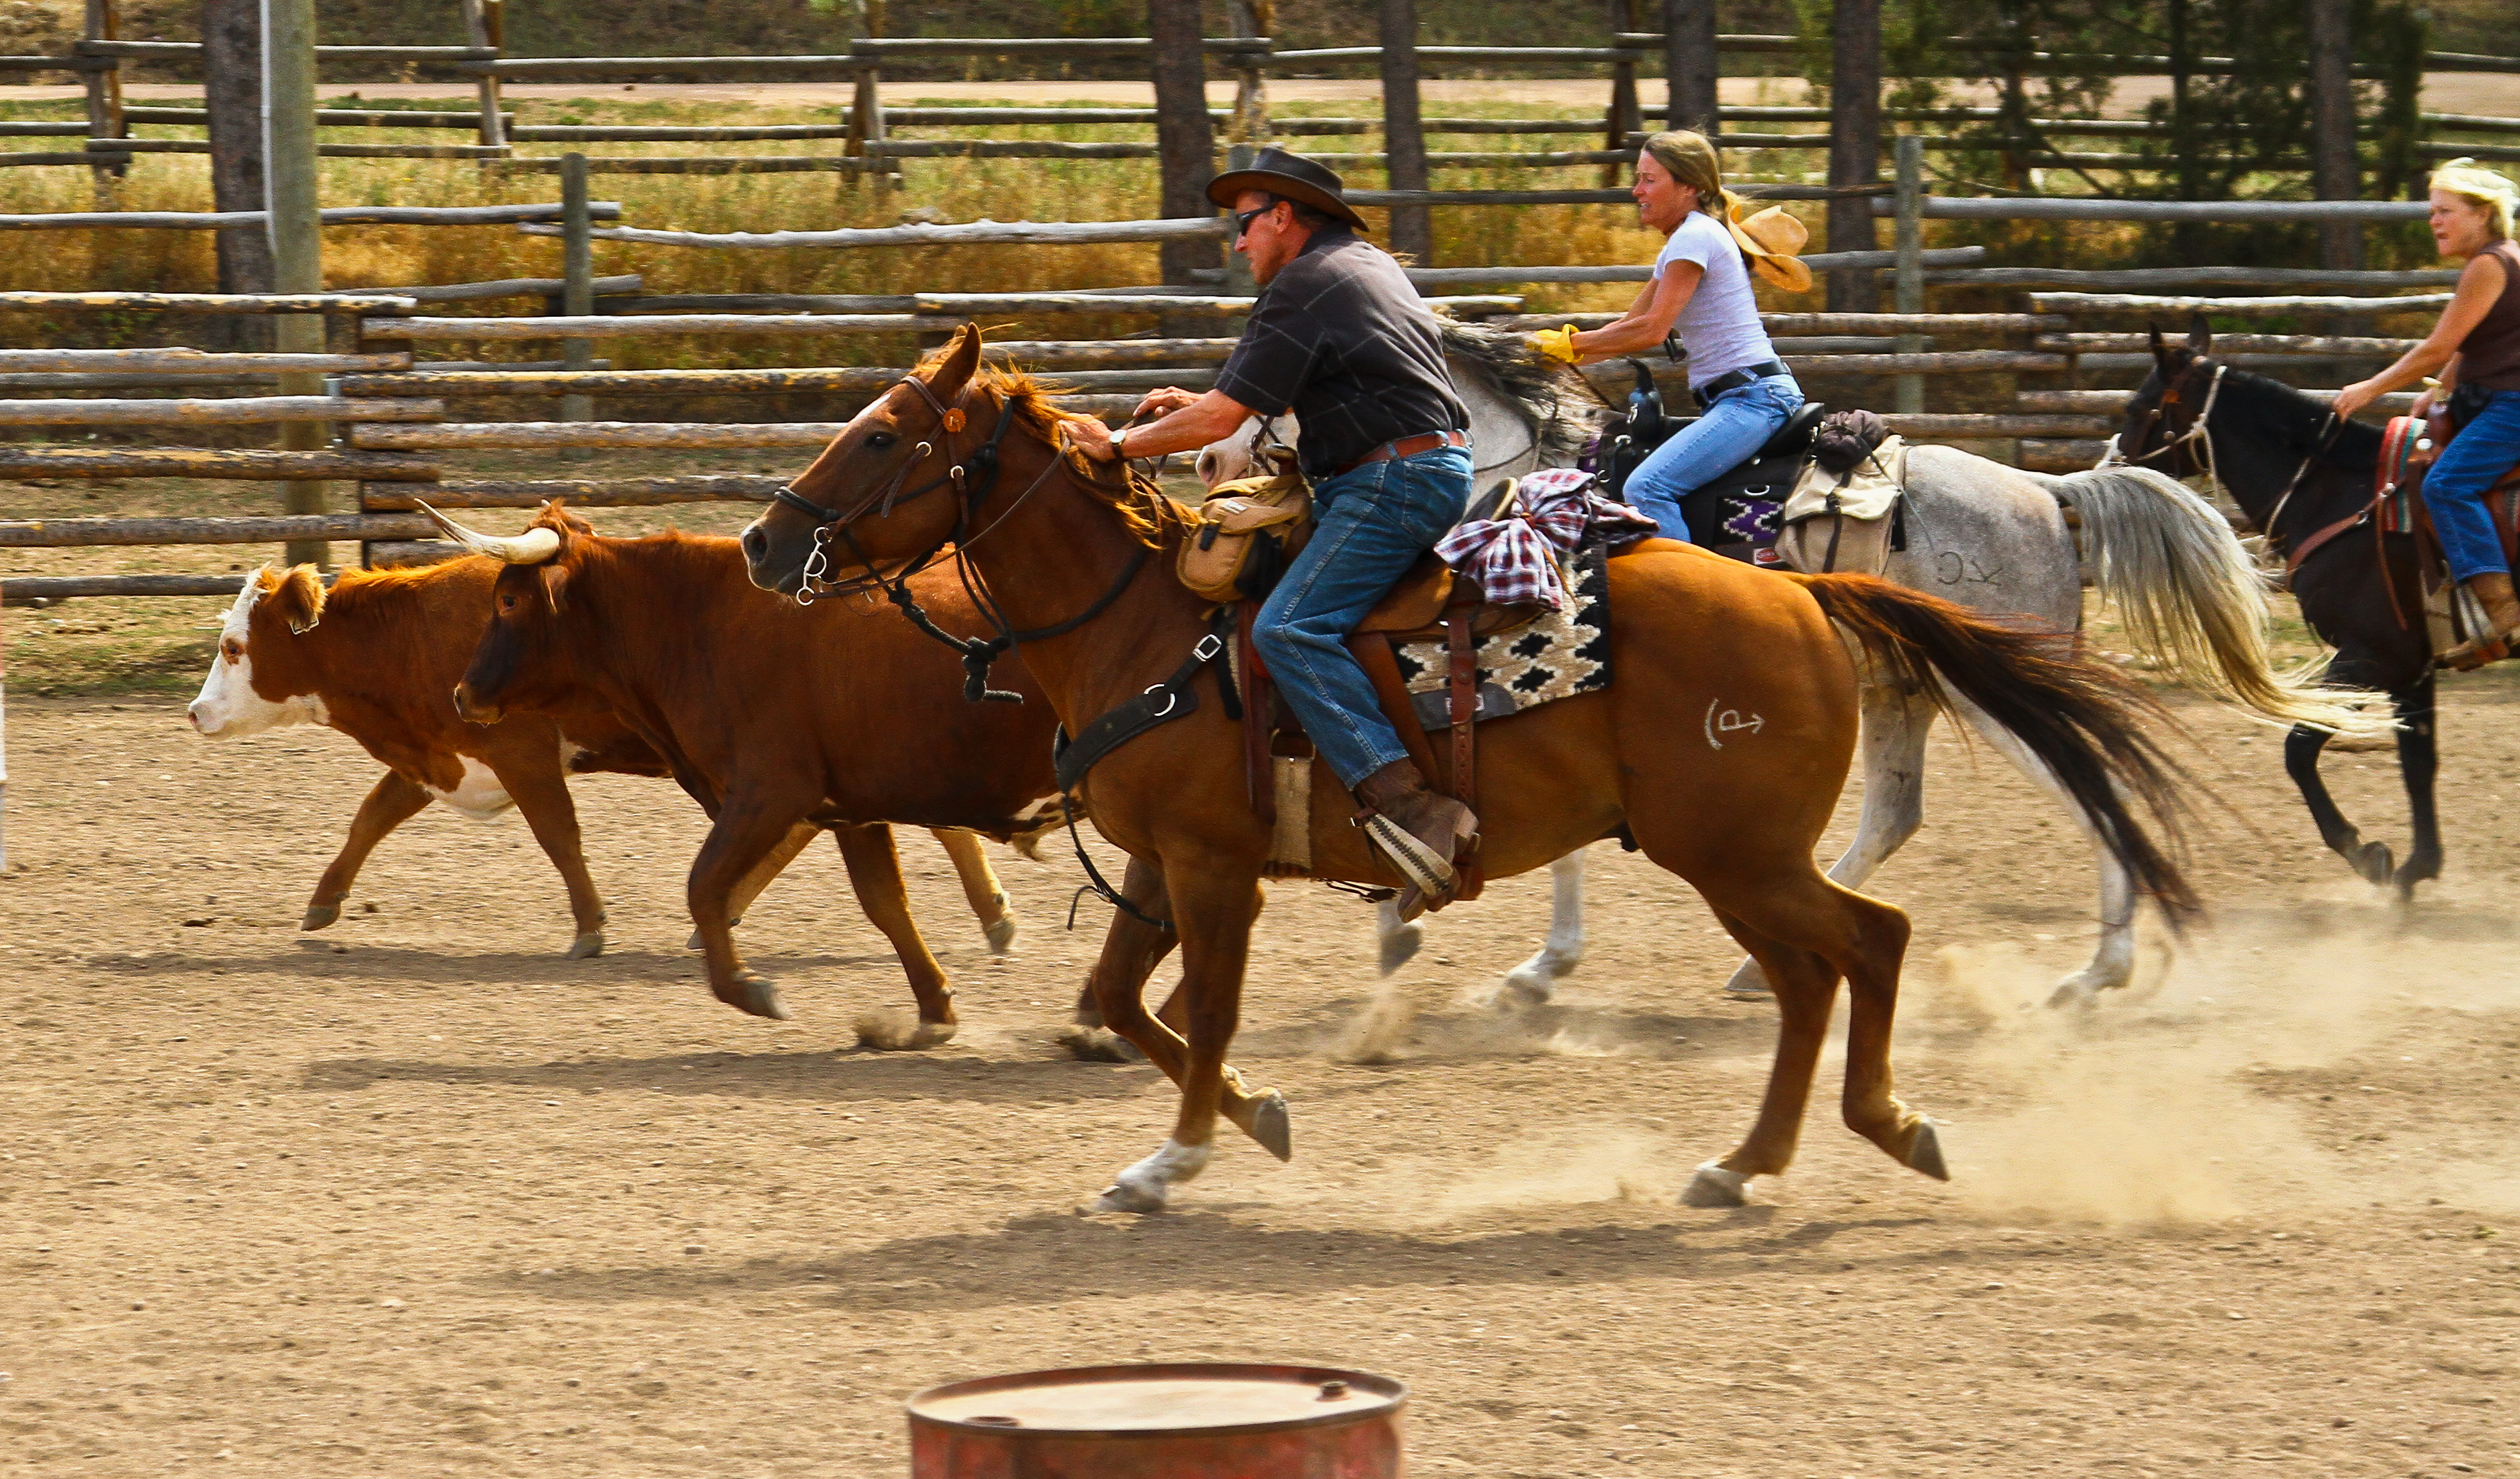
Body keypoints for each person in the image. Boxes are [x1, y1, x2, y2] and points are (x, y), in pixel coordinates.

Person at [1065, 148, 1478, 912]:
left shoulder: (1304, 285)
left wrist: (1113, 445)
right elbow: (1254, 401)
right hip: (1415, 467)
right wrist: (1197, 405)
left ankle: (1405, 802)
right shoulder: (1360, 268)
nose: (1237, 243)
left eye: (1244, 225)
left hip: (1387, 481)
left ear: (1282, 217)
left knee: (1287, 629)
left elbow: (1225, 419)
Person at [1524, 130, 1811, 543]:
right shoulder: (1691, 237)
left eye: (1649, 179)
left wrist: (1566, 345)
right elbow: (1625, 328)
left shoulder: (1694, 237)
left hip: (1752, 398)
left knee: (1647, 489)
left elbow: (1651, 330)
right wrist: (1547, 357)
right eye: (1638, 178)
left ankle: (1694, 597)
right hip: (1747, 395)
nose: (1636, 190)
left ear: (1689, 186)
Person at [2334, 158, 2520, 670]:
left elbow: (2436, 348)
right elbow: (2474, 345)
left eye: (2445, 211)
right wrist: (2438, 389)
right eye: (2431, 212)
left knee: (2444, 485)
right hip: (2502, 400)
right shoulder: (2503, 259)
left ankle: (2501, 611)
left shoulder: (2488, 265)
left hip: (2512, 407)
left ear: (2482, 214)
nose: (2434, 222)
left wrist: (2368, 389)